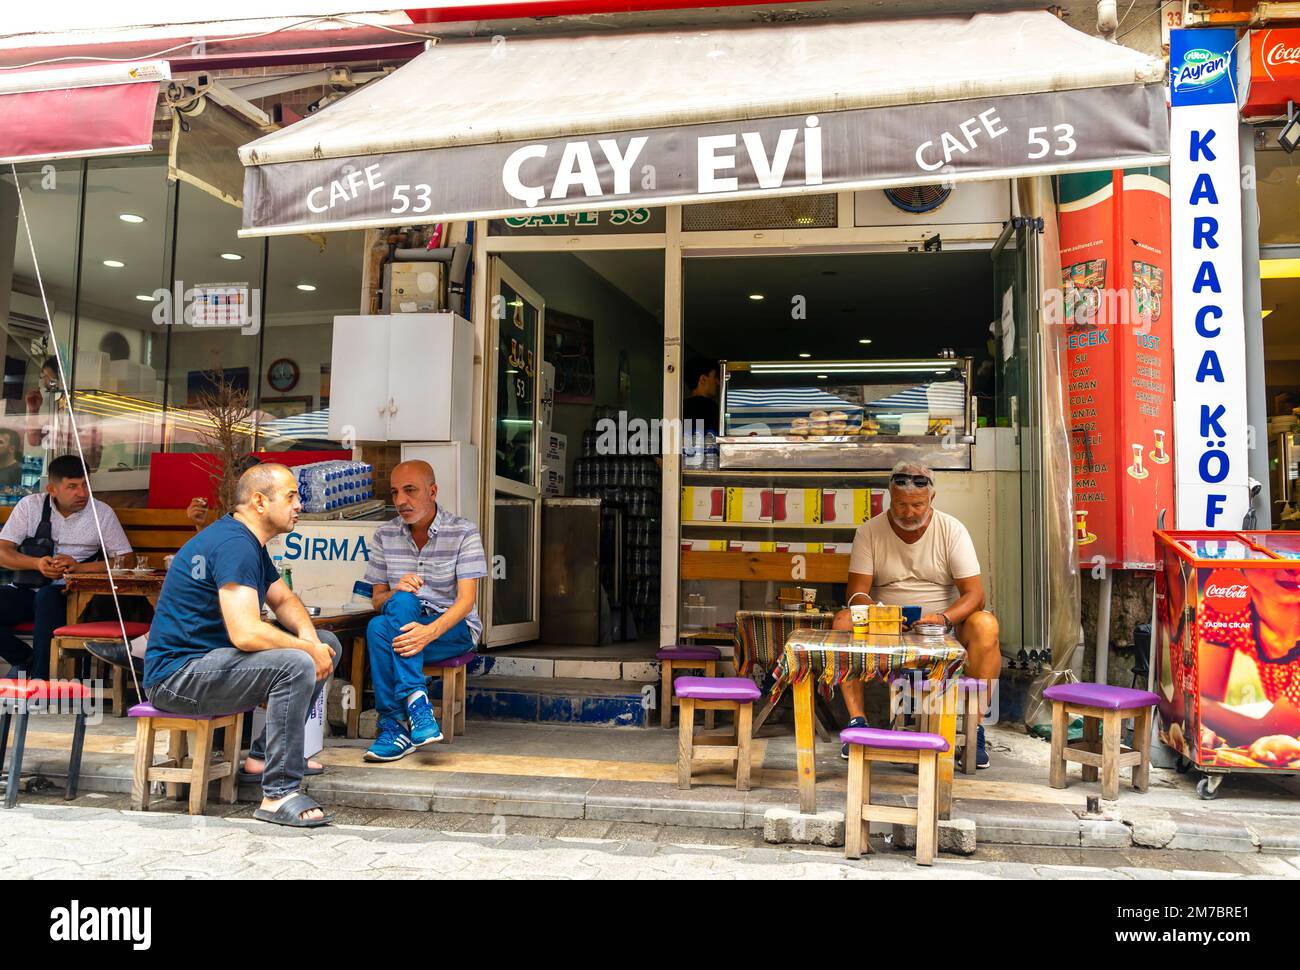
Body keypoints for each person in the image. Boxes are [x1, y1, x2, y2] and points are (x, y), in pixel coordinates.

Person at [142, 463, 339, 827]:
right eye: (292, 496)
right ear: (260, 502)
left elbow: (283, 600)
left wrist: (311, 641)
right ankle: (278, 794)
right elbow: (246, 633)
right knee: (296, 663)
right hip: (178, 678)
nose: (300, 504)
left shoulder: (247, 541)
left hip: (212, 665)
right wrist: (304, 652)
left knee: (326, 644)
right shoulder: (234, 544)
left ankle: (263, 758)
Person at [834, 460, 1001, 768]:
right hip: (886, 627)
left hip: (942, 629)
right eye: (901, 504)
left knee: (986, 624)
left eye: (917, 505)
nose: (908, 512)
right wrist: (876, 612)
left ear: (931, 500)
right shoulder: (869, 532)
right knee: (844, 619)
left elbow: (975, 595)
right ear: (889, 497)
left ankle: (976, 728)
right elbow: (856, 593)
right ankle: (858, 721)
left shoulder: (952, 530)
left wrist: (944, 618)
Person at [362, 459, 487, 762]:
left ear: (432, 491)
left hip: (451, 629)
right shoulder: (384, 535)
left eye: (410, 490)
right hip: (406, 628)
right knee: (394, 610)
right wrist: (396, 589)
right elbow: (378, 601)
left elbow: (466, 602)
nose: (401, 501)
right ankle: (417, 705)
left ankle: (393, 725)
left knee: (380, 630)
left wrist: (428, 632)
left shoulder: (463, 532)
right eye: (394, 493)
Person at [0, 454, 132, 678]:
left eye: (85, 485)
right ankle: (26, 659)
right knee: (37, 597)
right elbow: (3, 552)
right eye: (72, 486)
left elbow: (127, 560)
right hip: (26, 590)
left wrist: (79, 568)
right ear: (52, 488)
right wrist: (37, 563)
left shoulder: (101, 513)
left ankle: (42, 681)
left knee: (47, 598)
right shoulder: (30, 506)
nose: (82, 493)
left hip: (73, 595)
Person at [682, 356, 720, 437]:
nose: (718, 382)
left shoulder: (679, 408)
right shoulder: (710, 407)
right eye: (715, 377)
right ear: (703, 379)